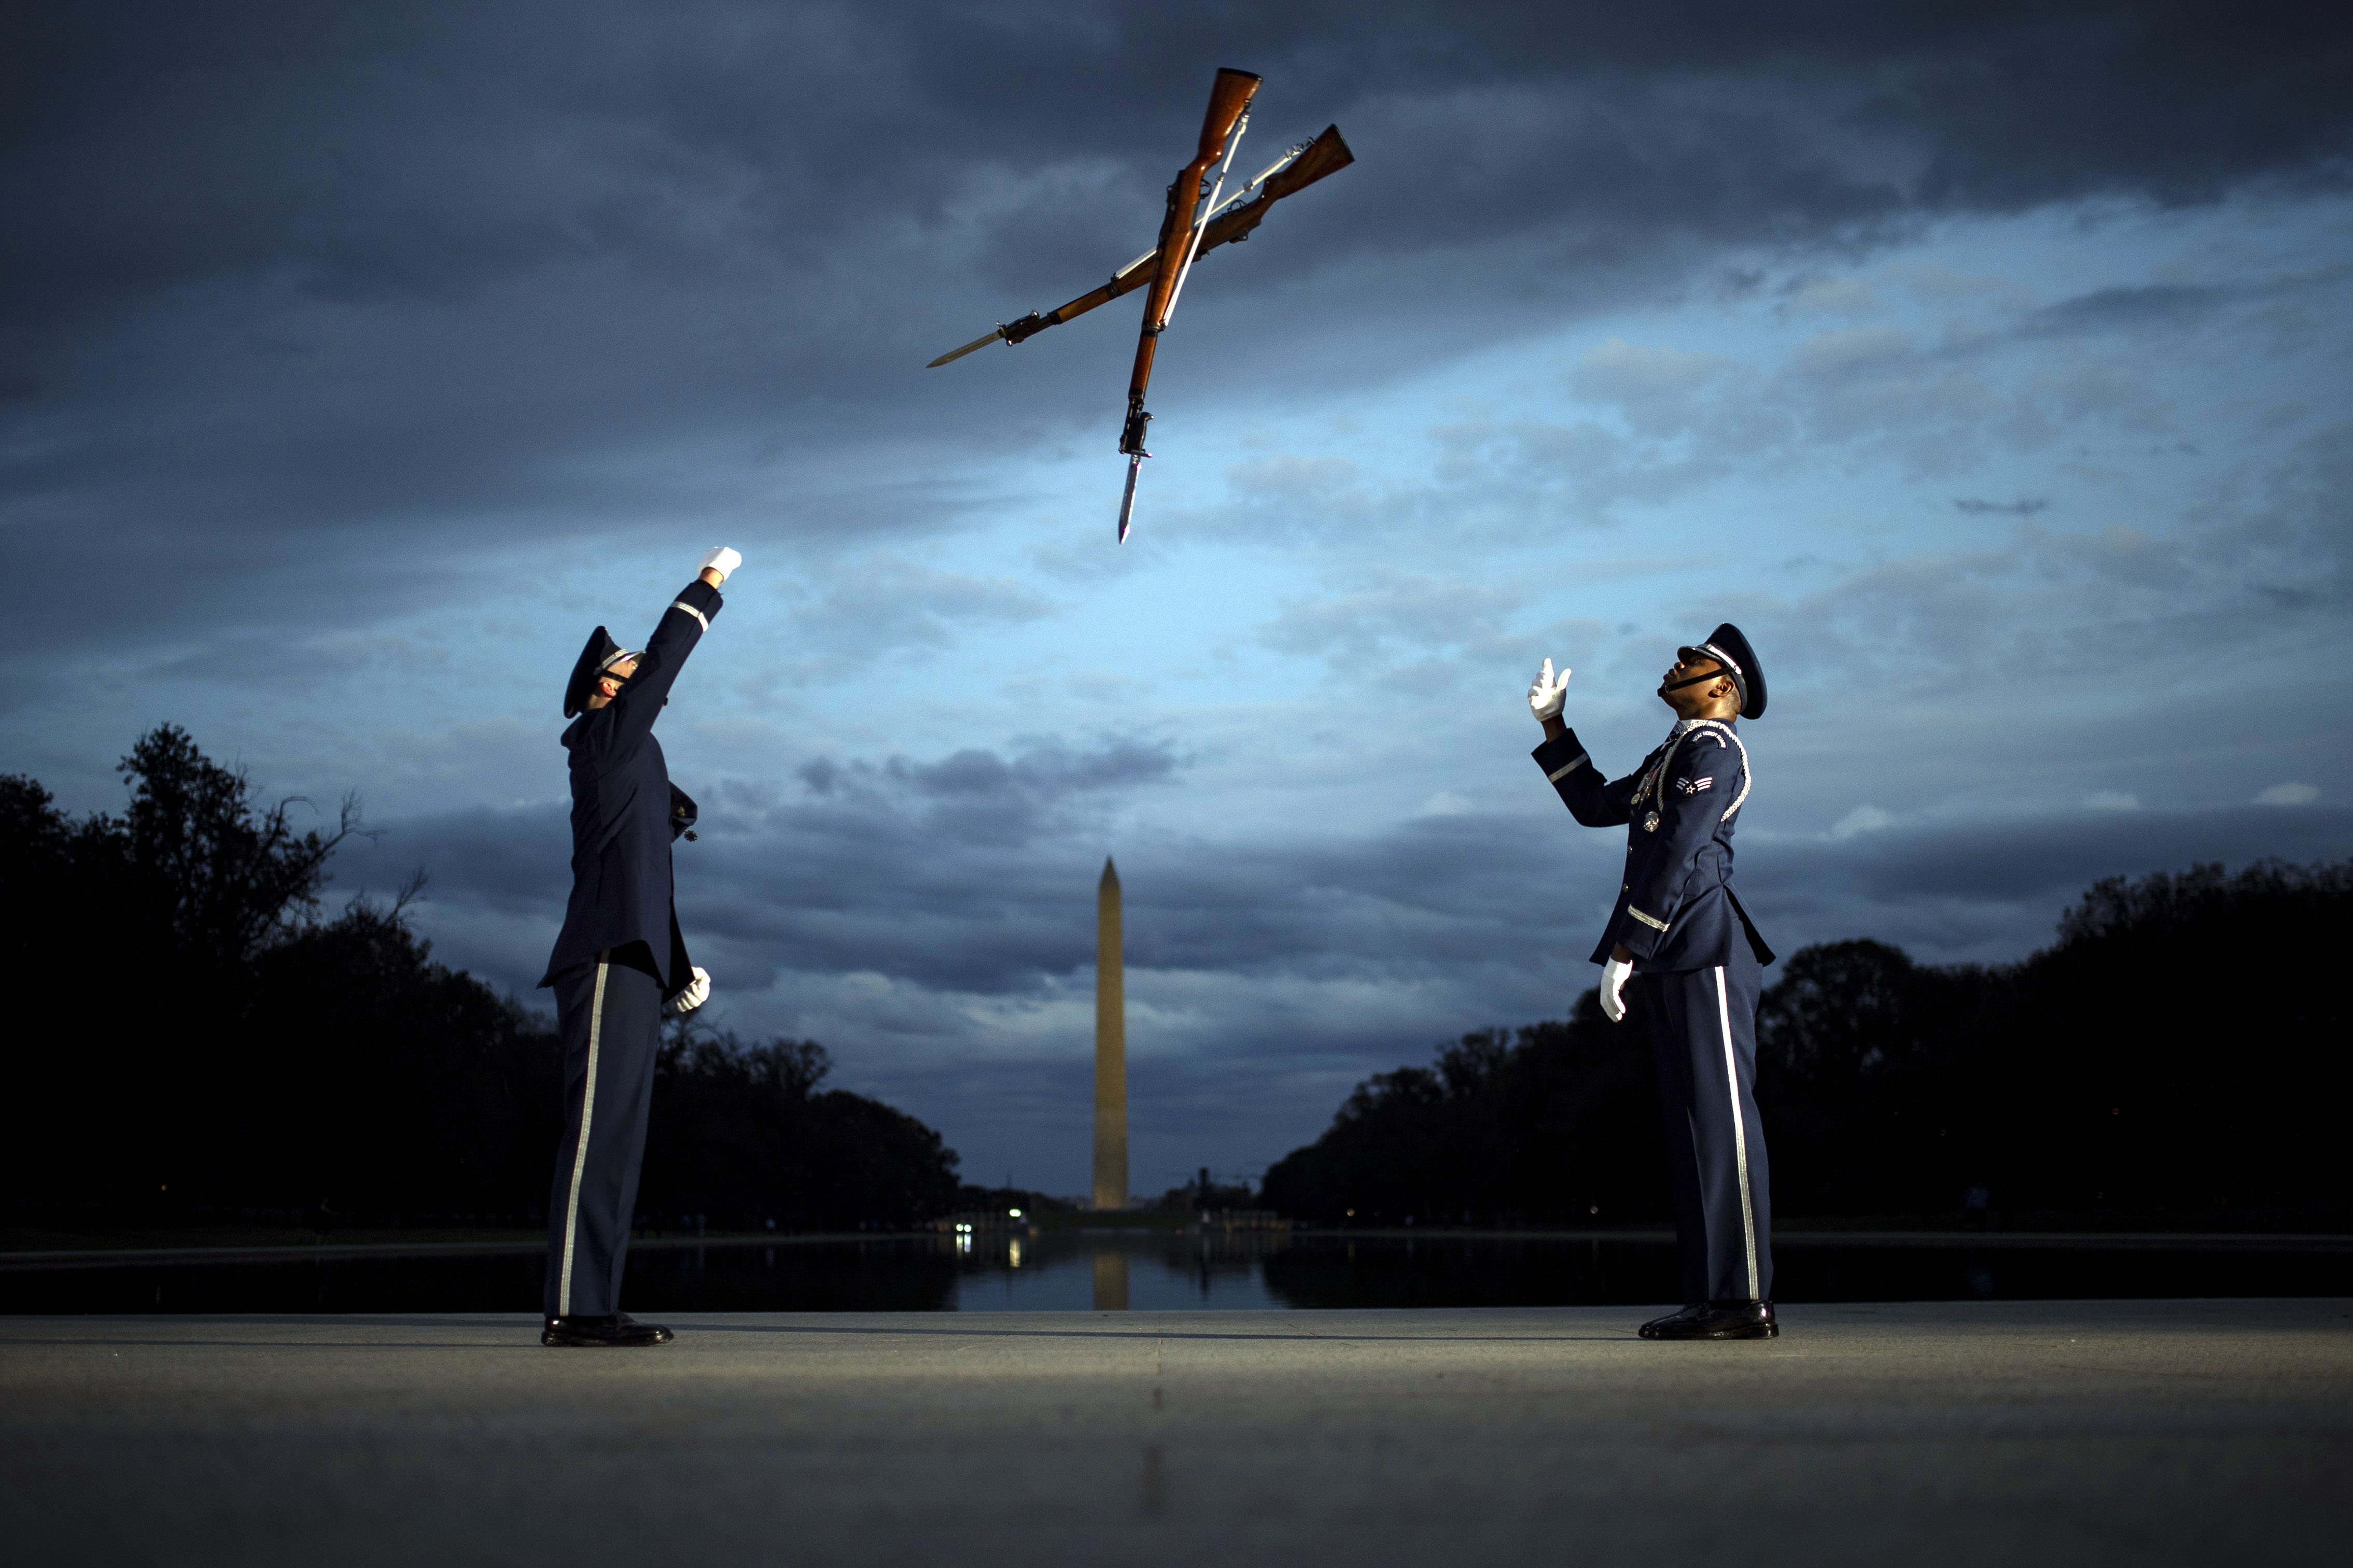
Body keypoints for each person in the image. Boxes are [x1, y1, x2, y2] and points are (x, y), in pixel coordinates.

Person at [1525, 626, 1780, 1340]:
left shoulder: (1714, 750)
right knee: (1691, 1130)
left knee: (1724, 1125)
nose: (1674, 666)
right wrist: (1553, 724)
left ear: (1722, 686)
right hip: (1675, 952)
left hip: (1704, 948)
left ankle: (1742, 1299)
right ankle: (1710, 1296)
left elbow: (1680, 851)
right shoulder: (1675, 751)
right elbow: (1595, 807)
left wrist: (1627, 946)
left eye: (1691, 661)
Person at [536, 545, 740, 1348]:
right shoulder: (602, 738)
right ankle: (570, 1310)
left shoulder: (636, 759)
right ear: (603, 689)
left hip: (634, 958)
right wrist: (707, 587)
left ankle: (594, 1303)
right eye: (626, 670)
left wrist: (680, 966)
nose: (640, 676)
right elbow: (665, 664)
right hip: (600, 953)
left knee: (617, 1137)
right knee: (592, 1134)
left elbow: (649, 875)